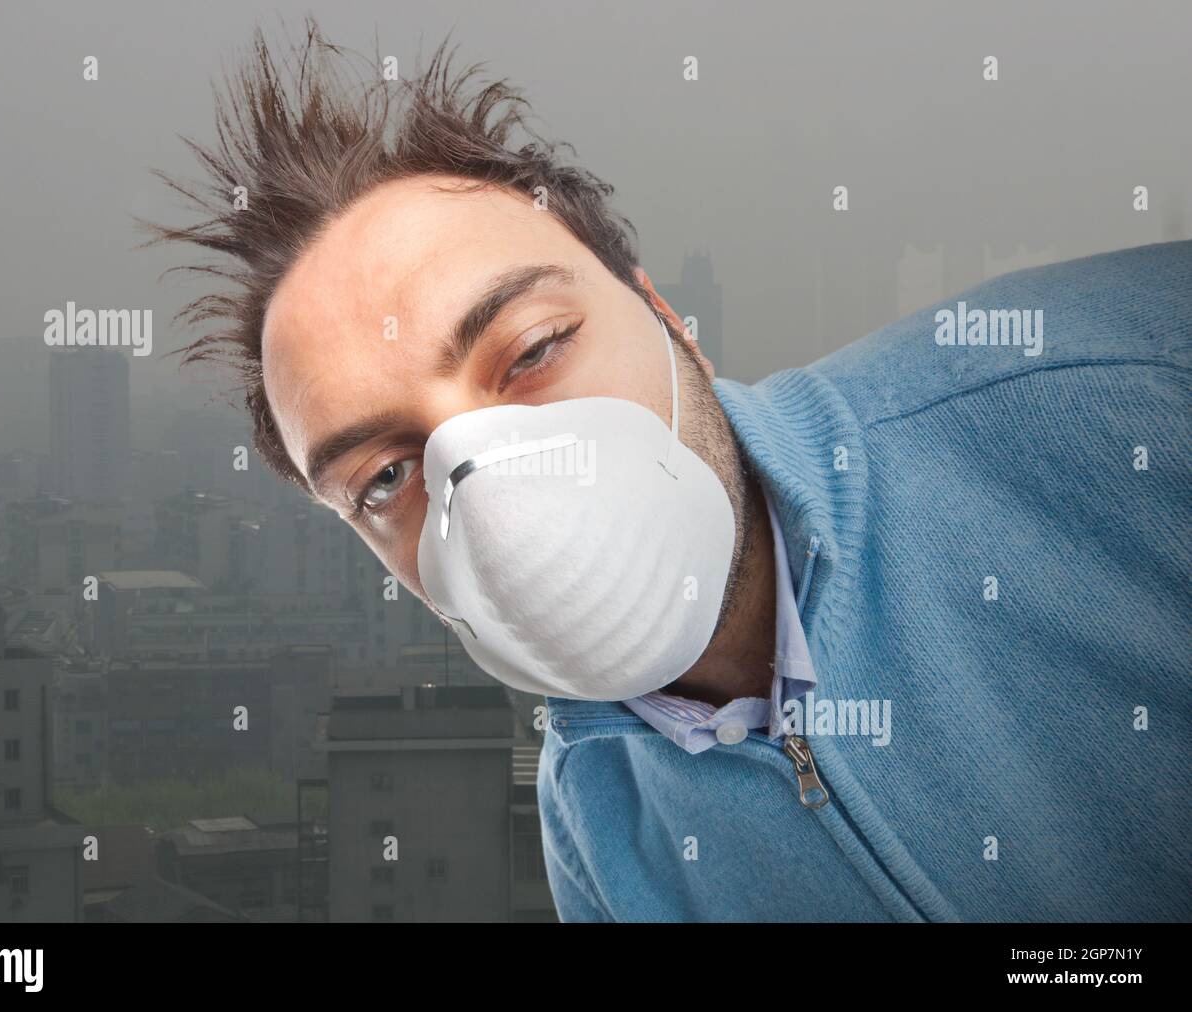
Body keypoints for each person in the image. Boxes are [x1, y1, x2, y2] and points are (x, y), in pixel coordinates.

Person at [149, 23, 1191, 921]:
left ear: (664, 319)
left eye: (531, 351)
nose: (488, 478)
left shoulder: (1120, 388)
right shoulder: (599, 840)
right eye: (383, 478)